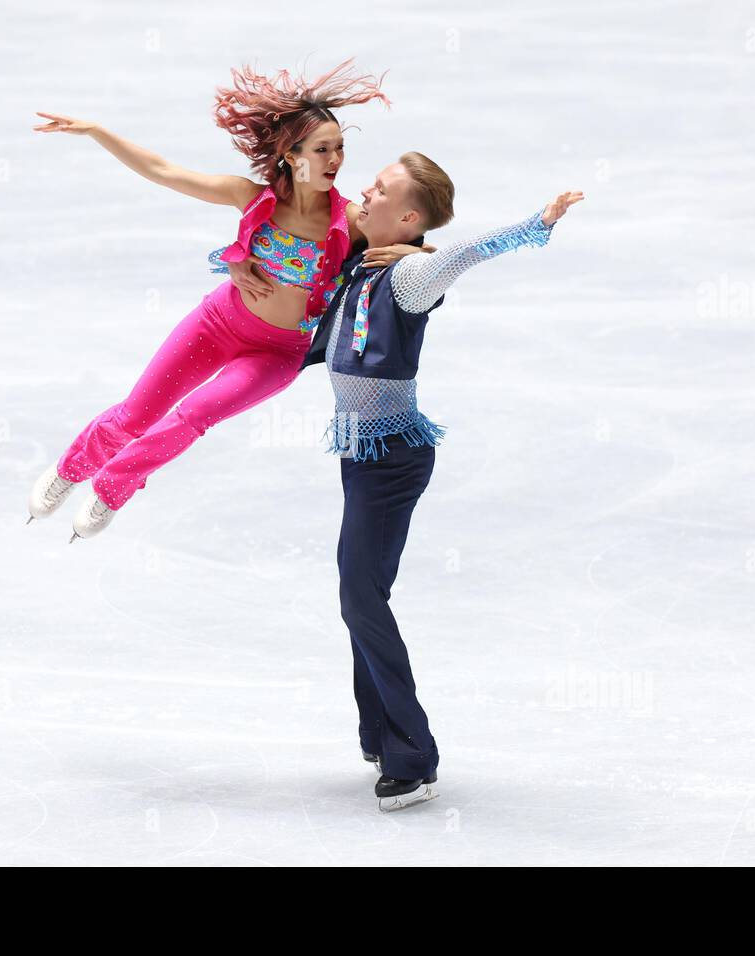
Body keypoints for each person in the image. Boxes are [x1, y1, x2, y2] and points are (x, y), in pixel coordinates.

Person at [223, 153, 583, 810]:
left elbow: (464, 255)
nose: (366, 187)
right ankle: (378, 729)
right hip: (360, 455)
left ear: (410, 217)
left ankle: (412, 756)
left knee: (360, 597)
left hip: (391, 458)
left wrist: (537, 223)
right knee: (356, 594)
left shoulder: (410, 273)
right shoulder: (365, 260)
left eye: (381, 188)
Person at [24, 60, 426, 541]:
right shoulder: (250, 197)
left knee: (192, 417)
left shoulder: (352, 217)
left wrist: (408, 248)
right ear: (291, 155)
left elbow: (411, 237)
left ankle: (113, 487)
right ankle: (71, 470)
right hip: (217, 324)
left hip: (277, 354)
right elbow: (164, 172)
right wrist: (97, 131)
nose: (336, 159)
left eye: (340, 148)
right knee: (137, 414)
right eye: (322, 149)